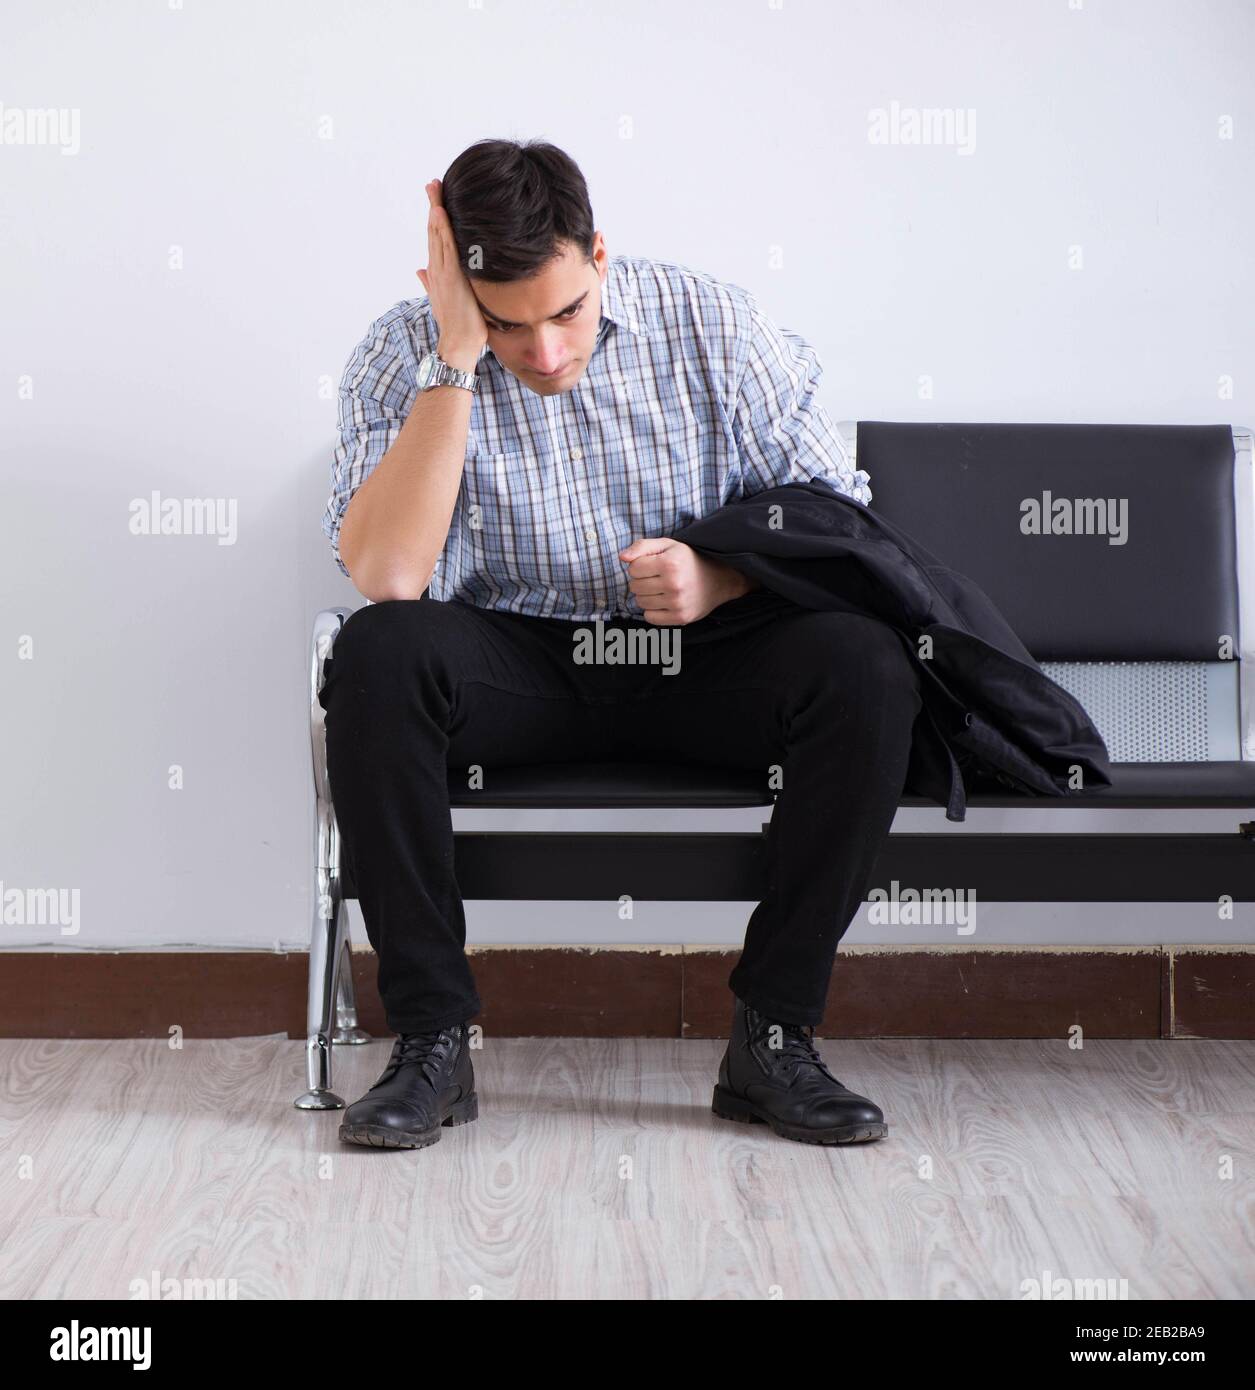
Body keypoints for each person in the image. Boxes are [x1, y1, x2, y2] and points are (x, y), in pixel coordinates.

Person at [317, 138, 923, 1152]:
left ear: (599, 254)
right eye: (508, 326)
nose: (546, 354)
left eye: (565, 312)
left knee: (865, 665)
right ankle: (430, 1042)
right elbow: (388, 576)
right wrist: (455, 360)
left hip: (703, 654)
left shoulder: (713, 323)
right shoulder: (404, 353)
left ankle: (772, 1036)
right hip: (516, 663)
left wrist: (724, 573)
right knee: (380, 652)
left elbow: (843, 520)